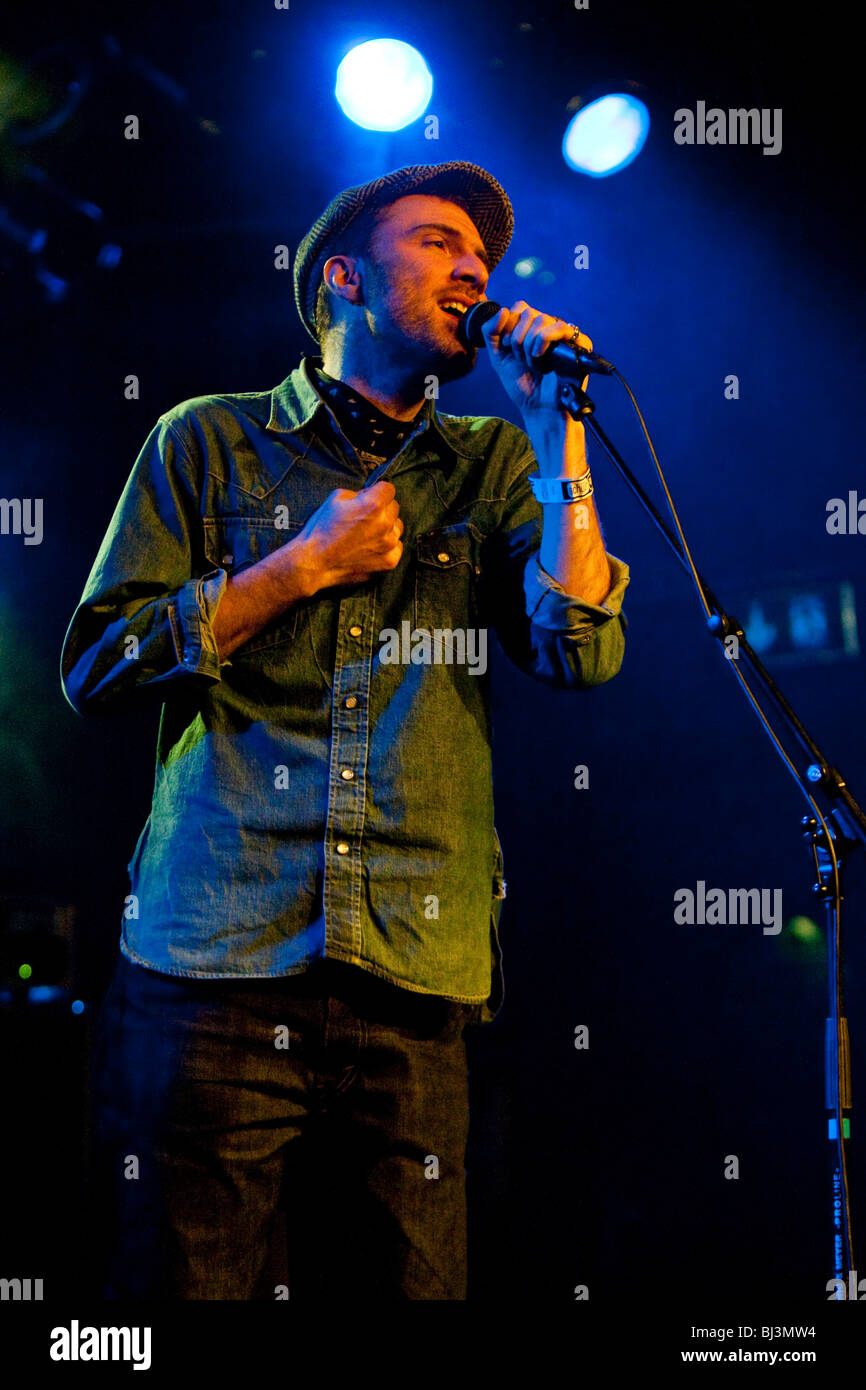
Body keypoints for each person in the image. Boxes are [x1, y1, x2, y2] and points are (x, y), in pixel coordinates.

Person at [60, 160, 630, 1301]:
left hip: (411, 979)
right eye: (434, 242)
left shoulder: (495, 463)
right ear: (344, 279)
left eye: (482, 254)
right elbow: (96, 663)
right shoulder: (205, 442)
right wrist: (294, 567)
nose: (473, 267)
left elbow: (581, 648)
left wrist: (557, 436)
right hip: (214, 966)